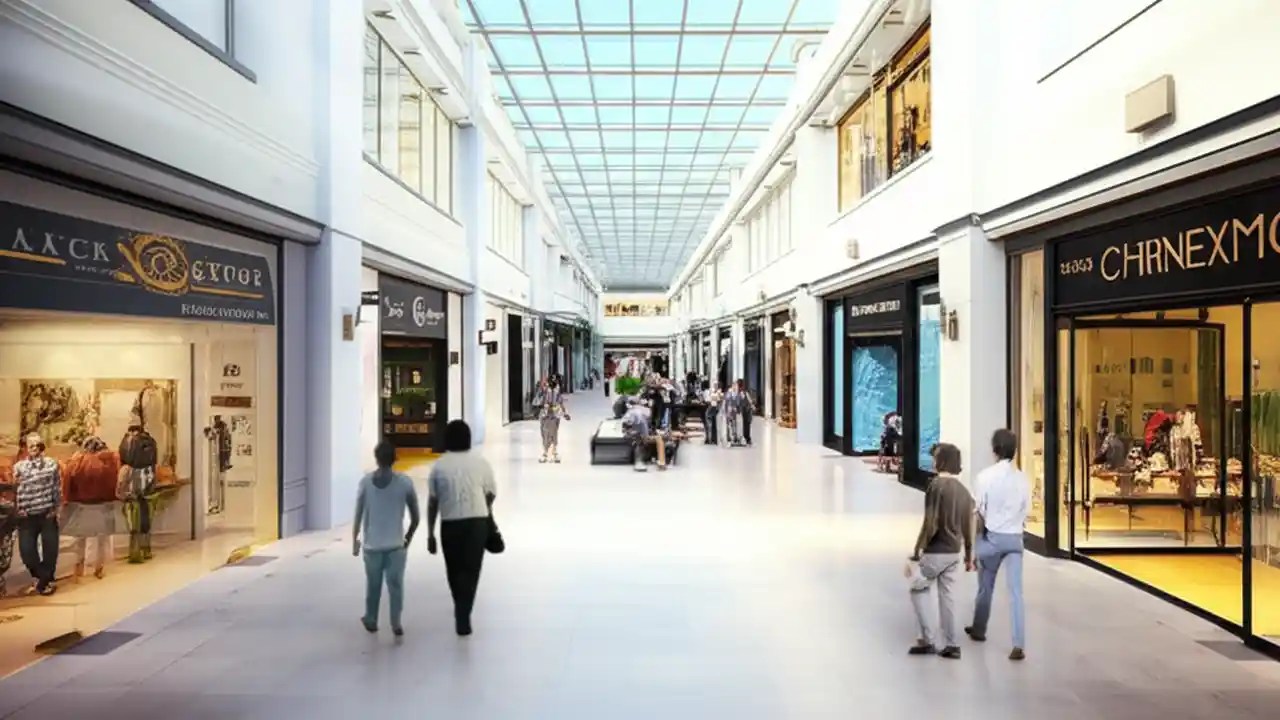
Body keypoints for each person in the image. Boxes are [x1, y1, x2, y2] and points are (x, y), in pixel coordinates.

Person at [426, 420, 496, 636]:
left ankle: (460, 607)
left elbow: (433, 502)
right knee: (472, 571)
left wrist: (430, 533)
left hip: (450, 523)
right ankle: (463, 613)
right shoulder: (481, 463)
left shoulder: (439, 466)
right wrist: (485, 507)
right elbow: (491, 493)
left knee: (454, 570)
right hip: (477, 522)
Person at [966, 429, 1030, 661]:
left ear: (994, 450)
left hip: (992, 538)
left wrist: (973, 549)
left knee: (985, 586)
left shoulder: (984, 477)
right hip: (1015, 540)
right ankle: (1018, 644)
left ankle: (979, 629)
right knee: (1016, 593)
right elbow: (1026, 510)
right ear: (1015, 451)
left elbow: (978, 511)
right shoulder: (1022, 478)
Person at [908, 443, 975, 659]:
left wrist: (917, 550)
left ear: (941, 461)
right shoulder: (964, 492)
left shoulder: (935, 486)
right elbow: (969, 527)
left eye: (935, 458)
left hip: (936, 550)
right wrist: (969, 556)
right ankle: (952, 644)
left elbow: (931, 521)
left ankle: (928, 639)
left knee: (917, 588)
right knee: (948, 598)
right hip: (954, 552)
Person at [352, 440, 419, 636]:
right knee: (396, 586)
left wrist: (355, 540)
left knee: (373, 586)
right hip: (396, 545)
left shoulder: (365, 483)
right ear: (395, 459)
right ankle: (396, 623)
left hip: (372, 546)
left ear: (376, 458)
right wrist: (407, 538)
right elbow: (416, 517)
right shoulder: (405, 483)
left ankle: (371, 619)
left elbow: (358, 514)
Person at [14, 433, 61, 596]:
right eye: (31, 445)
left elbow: (56, 487)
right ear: (26, 448)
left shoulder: (51, 464)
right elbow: (17, 489)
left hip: (47, 513)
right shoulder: (19, 467)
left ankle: (45, 582)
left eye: (36, 445)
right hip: (26, 515)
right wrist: (19, 507)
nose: (34, 448)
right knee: (26, 551)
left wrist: (56, 507)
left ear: (41, 446)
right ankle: (43, 579)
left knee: (50, 550)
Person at [534, 377, 569, 463]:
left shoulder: (555, 392)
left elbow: (560, 403)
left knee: (551, 434)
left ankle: (552, 453)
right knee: (547, 434)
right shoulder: (544, 391)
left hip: (553, 416)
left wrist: (565, 413)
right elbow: (539, 402)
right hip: (546, 416)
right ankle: (548, 453)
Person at [736, 380, 755, 446]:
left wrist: (752, 406)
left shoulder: (742, 392)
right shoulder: (743, 392)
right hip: (746, 409)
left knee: (746, 424)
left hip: (746, 410)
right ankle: (747, 438)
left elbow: (747, 401)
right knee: (746, 424)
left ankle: (747, 438)